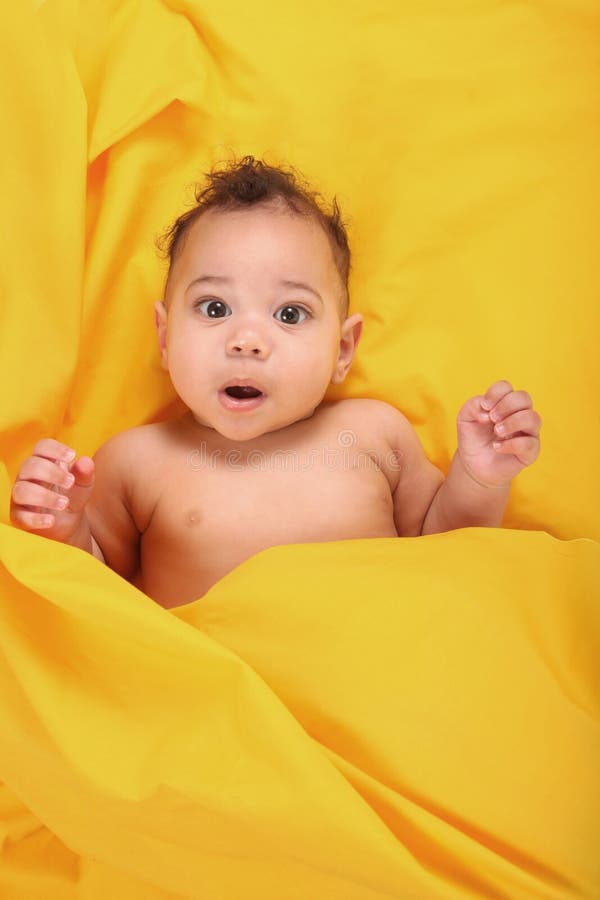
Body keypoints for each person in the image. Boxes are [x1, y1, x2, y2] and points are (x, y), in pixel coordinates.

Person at [9, 156, 542, 609]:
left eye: (289, 314)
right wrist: (63, 524)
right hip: (213, 685)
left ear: (342, 350)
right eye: (214, 308)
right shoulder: (137, 462)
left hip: (370, 666)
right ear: (165, 338)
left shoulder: (374, 434)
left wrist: (479, 478)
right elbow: (100, 589)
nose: (247, 340)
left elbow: (445, 547)